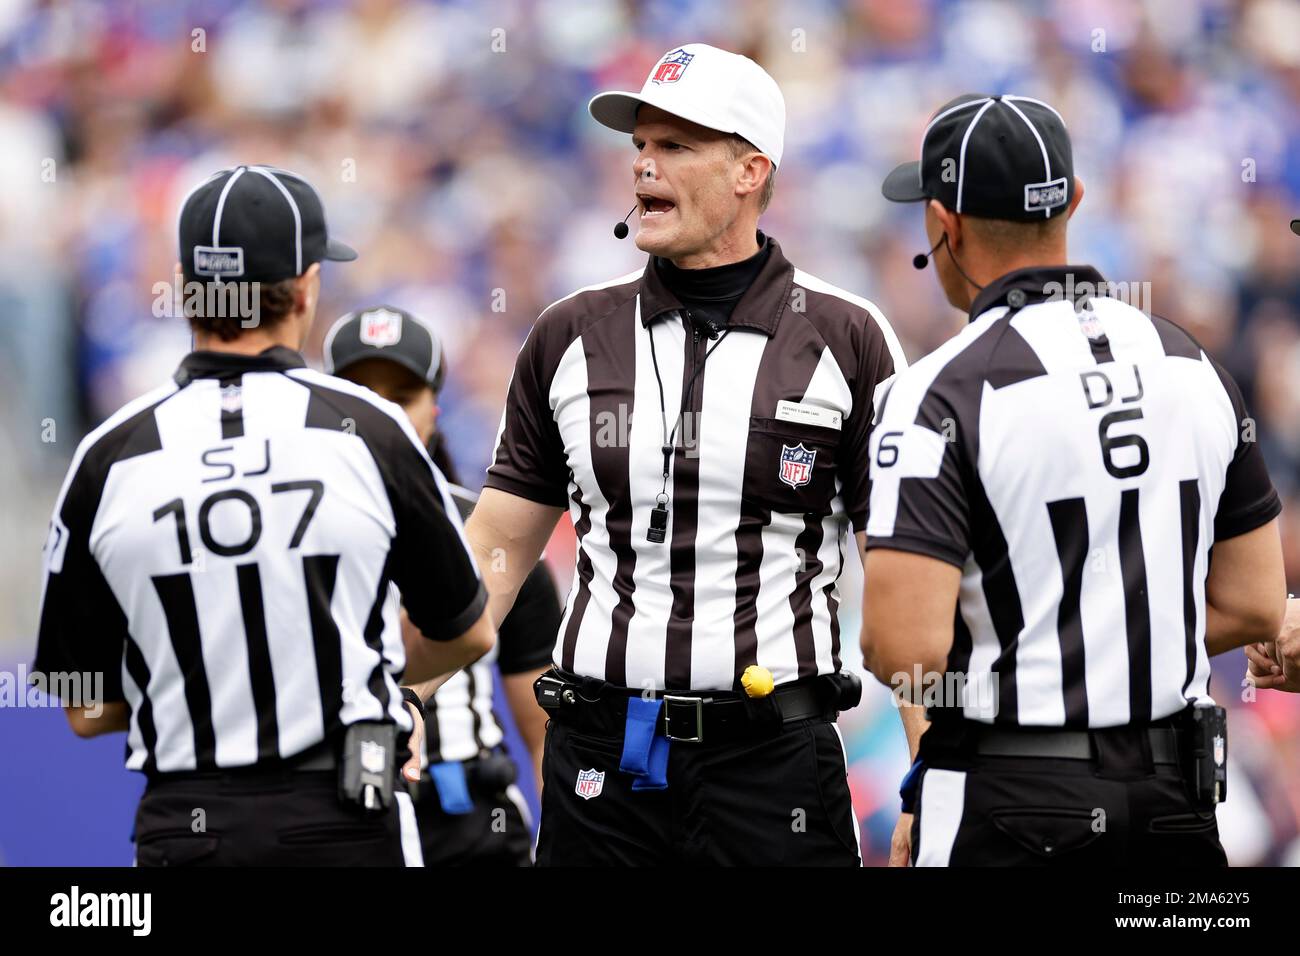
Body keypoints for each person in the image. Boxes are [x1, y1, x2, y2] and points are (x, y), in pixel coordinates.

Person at [465, 43, 905, 866]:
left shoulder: (847, 337)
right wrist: (407, 694)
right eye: (639, 146)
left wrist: (928, 768)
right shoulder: (569, 334)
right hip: (600, 759)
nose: (643, 166)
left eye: (674, 146)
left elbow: (903, 568)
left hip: (771, 764)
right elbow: (494, 553)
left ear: (749, 170)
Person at [862, 94, 1287, 866]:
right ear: (1075, 201)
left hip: (1009, 799)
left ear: (940, 222)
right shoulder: (1190, 360)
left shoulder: (935, 393)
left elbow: (903, 648)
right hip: (1175, 801)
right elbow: (1256, 603)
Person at [31, 165, 493, 866]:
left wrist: (199, 682)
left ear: (186, 286)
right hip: (346, 816)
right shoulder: (367, 430)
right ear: (306, 286)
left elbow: (84, 706)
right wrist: (354, 681)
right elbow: (467, 631)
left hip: (189, 828)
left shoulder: (108, 458)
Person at [324, 304, 561, 866]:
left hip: (467, 820)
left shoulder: (492, 537)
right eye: (361, 396)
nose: (383, 417)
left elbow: (547, 730)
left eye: (401, 398)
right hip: (337, 812)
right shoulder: (283, 534)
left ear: (435, 405)